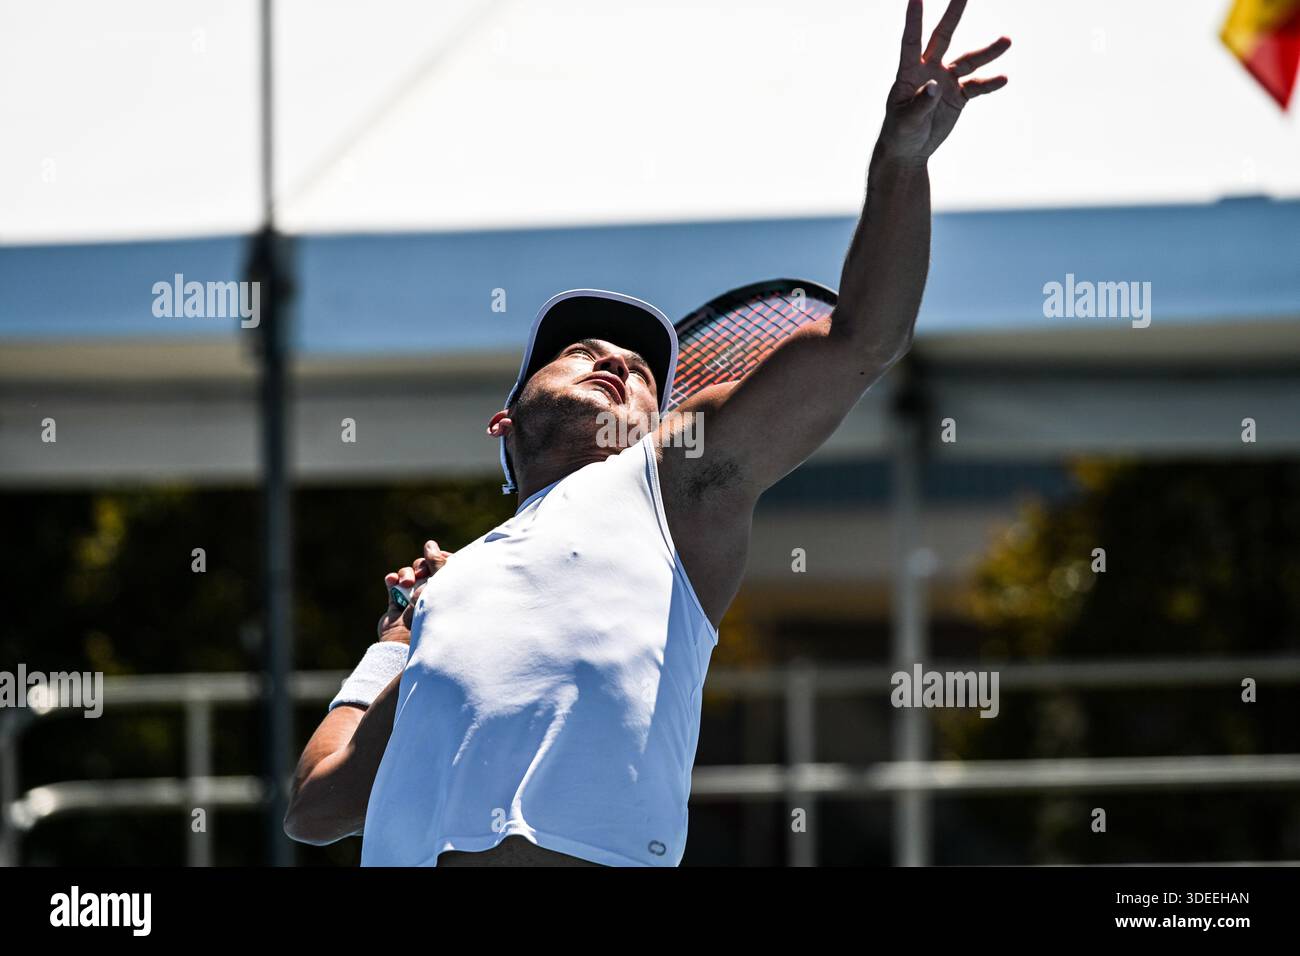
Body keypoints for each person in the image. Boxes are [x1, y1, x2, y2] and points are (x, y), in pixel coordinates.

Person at [283, 0, 1009, 866]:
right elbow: (316, 807)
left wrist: (901, 163)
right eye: (581, 351)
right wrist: (395, 644)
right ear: (504, 420)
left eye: (637, 370)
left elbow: (862, 340)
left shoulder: (669, 483)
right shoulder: (450, 591)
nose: (616, 363)